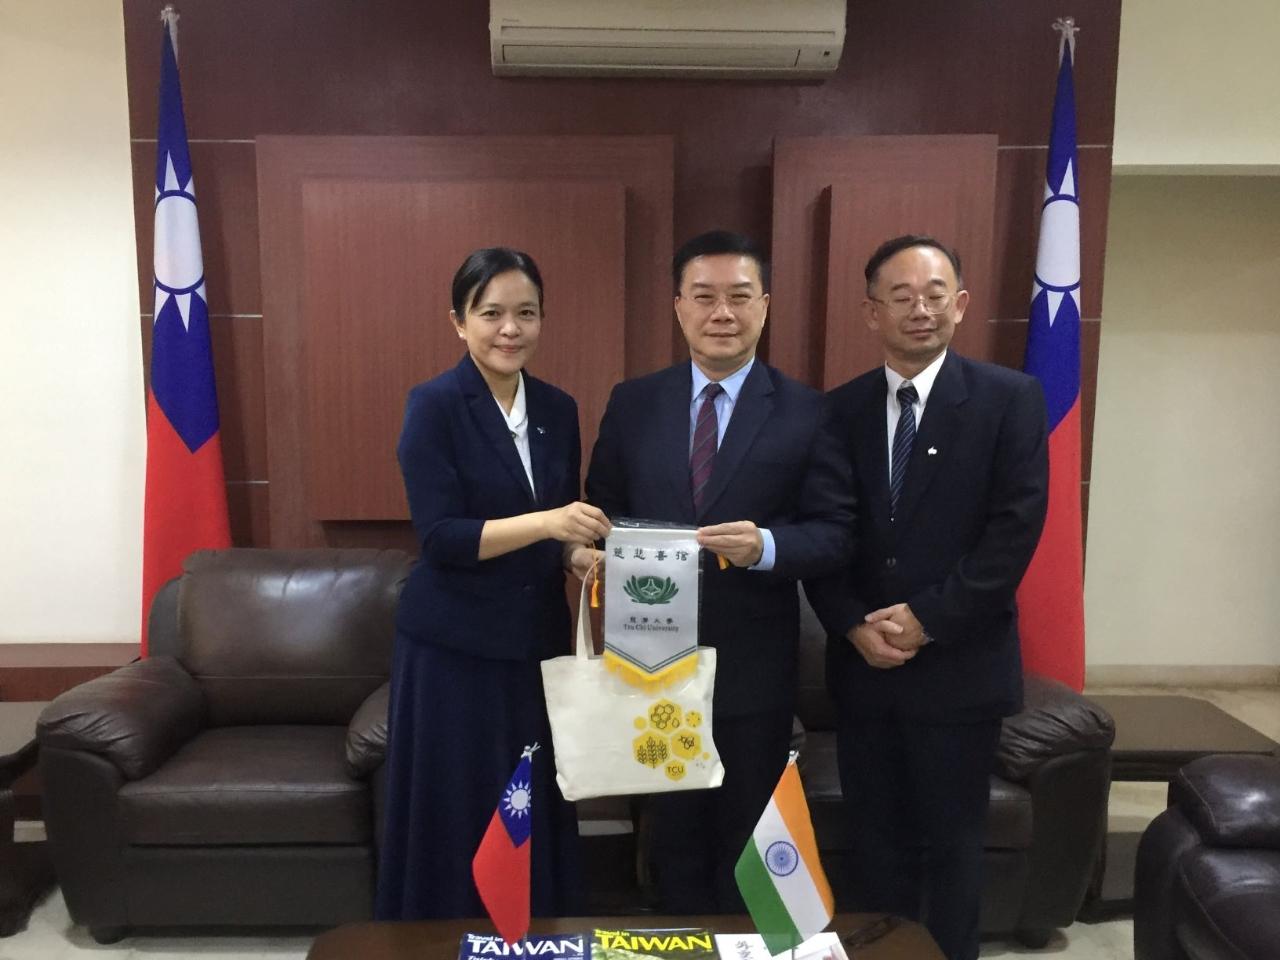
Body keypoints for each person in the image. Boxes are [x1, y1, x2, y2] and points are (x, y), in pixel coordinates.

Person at [585, 230, 854, 913]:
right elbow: (603, 508)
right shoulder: (634, 401)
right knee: (670, 830)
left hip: (752, 662)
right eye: (704, 298)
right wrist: (591, 547)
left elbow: (834, 532)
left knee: (745, 831)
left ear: (764, 307)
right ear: (679, 308)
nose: (722, 314)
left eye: (739, 297)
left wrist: (764, 545)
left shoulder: (807, 410)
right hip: (653, 656)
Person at [804, 235, 1049, 960]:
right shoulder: (839, 409)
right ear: (871, 312)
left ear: (961, 305)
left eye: (936, 293)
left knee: (952, 853)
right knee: (874, 850)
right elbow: (826, 532)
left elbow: (1013, 534)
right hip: (866, 672)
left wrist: (926, 619)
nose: (921, 309)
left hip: (958, 670)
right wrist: (851, 623)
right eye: (902, 295)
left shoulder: (1009, 399)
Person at [376, 247, 609, 921]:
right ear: (459, 322)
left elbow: (561, 527)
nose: (511, 329)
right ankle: (443, 934)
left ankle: (532, 927)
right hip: (452, 646)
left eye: (526, 314)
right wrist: (547, 523)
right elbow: (443, 537)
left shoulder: (558, 409)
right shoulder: (435, 405)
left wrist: (575, 556)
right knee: (459, 804)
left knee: (528, 793)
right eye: (492, 313)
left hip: (532, 644)